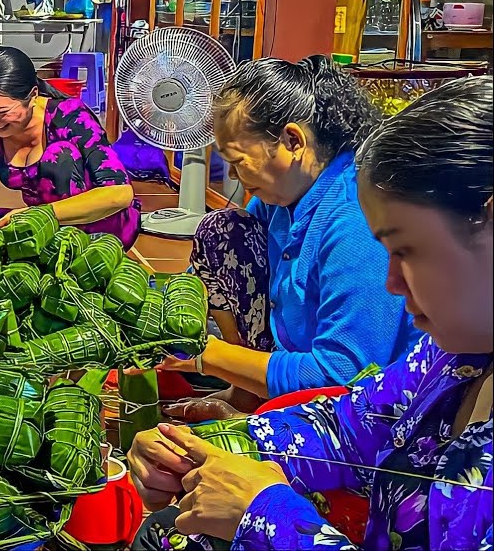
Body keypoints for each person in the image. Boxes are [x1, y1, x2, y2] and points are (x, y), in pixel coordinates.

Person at [127, 74, 492, 551]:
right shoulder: (448, 358)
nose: (391, 284)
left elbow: (339, 373)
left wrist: (262, 514)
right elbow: (351, 421)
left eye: (409, 251)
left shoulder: (348, 224)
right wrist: (202, 449)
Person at [156, 56, 418, 418]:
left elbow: (345, 375)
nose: (231, 173)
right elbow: (212, 274)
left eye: (237, 160)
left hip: (366, 405)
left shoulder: (356, 220)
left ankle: (263, 400)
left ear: (292, 141)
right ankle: (248, 394)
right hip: (292, 352)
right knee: (221, 231)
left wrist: (208, 356)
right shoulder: (281, 198)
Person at [0, 46, 140, 247]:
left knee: (59, 154)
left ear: (33, 96)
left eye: (1, 112)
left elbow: (119, 193)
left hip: (103, 228)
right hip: (38, 223)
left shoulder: (70, 117)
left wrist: (36, 215)